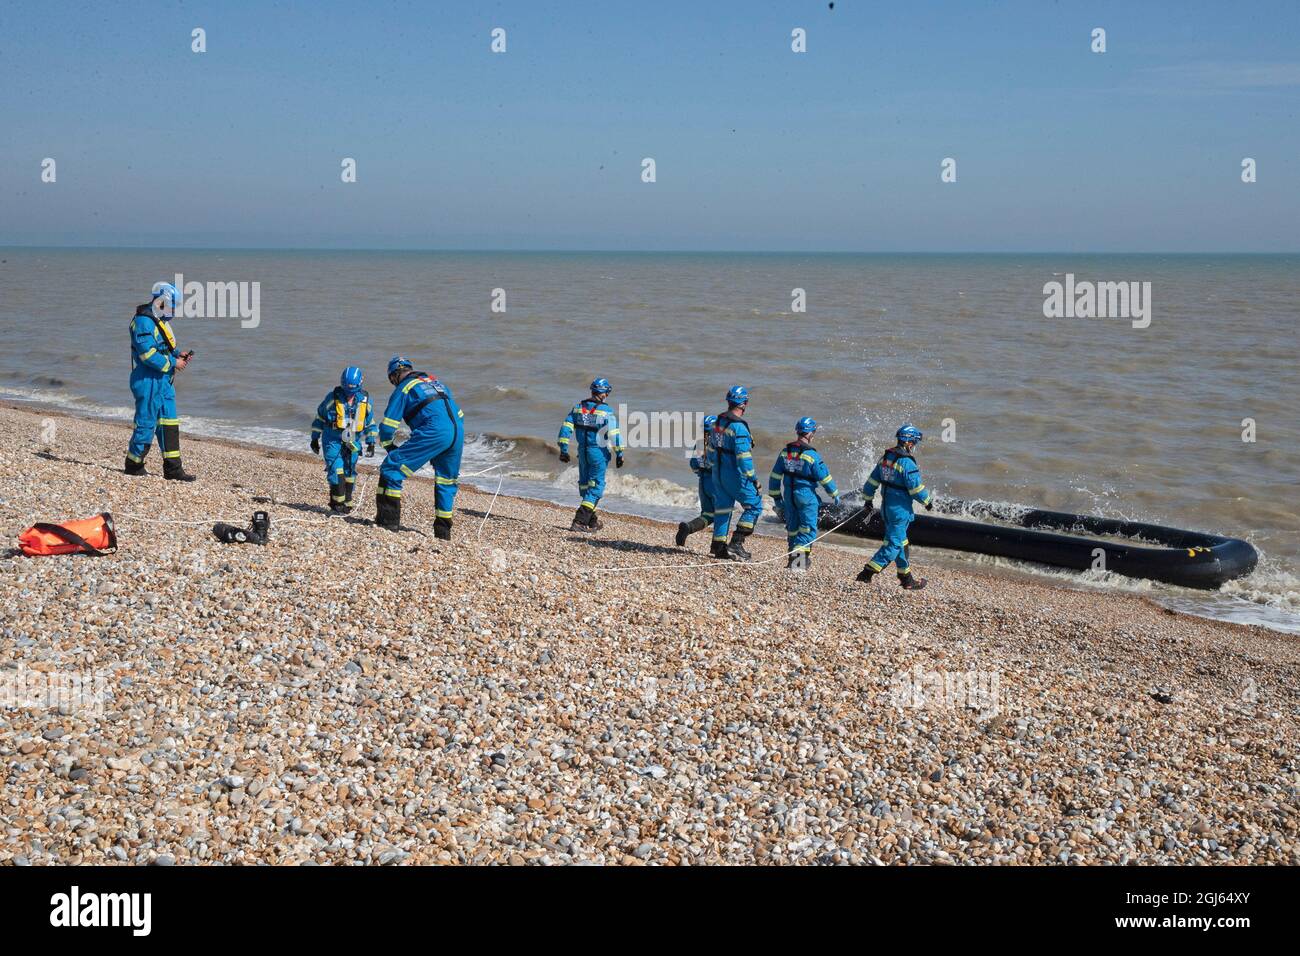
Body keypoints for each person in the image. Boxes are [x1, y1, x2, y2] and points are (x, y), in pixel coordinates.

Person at [375, 356, 464, 538]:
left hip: (435, 430)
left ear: (393, 376)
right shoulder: (437, 383)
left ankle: (387, 523)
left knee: (391, 468)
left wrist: (390, 447)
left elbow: (387, 427)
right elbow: (459, 414)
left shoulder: (404, 388)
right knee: (446, 481)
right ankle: (443, 533)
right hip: (458, 431)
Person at [124, 282, 196, 480]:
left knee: (169, 423)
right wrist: (174, 363)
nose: (173, 311)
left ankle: (173, 469)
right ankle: (134, 464)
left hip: (163, 381)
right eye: (172, 306)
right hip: (148, 380)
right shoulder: (143, 322)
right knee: (146, 423)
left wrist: (177, 354)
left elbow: (163, 345)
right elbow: (147, 355)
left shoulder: (158, 319)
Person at [855, 424, 933, 589]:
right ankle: (866, 573)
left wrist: (868, 500)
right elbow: (916, 489)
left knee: (901, 542)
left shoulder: (885, 458)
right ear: (909, 443)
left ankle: (906, 579)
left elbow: (871, 483)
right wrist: (927, 502)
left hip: (886, 509)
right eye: (914, 443)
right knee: (893, 545)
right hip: (900, 511)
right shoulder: (907, 463)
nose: (914, 446)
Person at [768, 417, 840, 569]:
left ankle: (792, 560)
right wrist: (834, 494)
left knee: (793, 528)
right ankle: (798, 563)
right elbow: (824, 478)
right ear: (810, 433)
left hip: (789, 495)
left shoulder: (785, 452)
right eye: (814, 432)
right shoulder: (811, 455)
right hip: (806, 496)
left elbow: (774, 476)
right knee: (807, 529)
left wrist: (776, 497)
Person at [557, 377, 625, 532]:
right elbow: (614, 435)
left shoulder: (578, 408)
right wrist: (620, 454)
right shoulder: (606, 412)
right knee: (596, 487)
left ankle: (592, 521)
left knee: (585, 485)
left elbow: (565, 429)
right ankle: (579, 521)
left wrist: (564, 450)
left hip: (582, 451)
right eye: (607, 393)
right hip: (598, 453)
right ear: (604, 393)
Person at [311, 366, 378, 513]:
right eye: (347, 390)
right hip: (333, 440)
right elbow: (320, 417)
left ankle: (347, 501)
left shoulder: (365, 401)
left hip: (353, 441)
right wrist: (315, 438)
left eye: (352, 391)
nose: (349, 394)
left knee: (350, 472)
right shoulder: (332, 399)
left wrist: (371, 442)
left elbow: (370, 423)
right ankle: (337, 504)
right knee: (337, 470)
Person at [709, 385, 763, 561]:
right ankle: (736, 543)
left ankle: (718, 547)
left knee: (723, 509)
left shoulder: (718, 422)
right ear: (744, 403)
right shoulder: (739, 428)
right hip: (734, 474)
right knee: (754, 506)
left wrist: (714, 467)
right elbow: (744, 458)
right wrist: (753, 479)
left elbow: (710, 449)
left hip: (717, 473)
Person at [675, 414, 717, 546]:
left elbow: (693, 464)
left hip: (702, 482)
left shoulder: (699, 443)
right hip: (715, 483)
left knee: (708, 514)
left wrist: (702, 474)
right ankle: (718, 546)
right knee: (722, 514)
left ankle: (688, 527)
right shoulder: (718, 444)